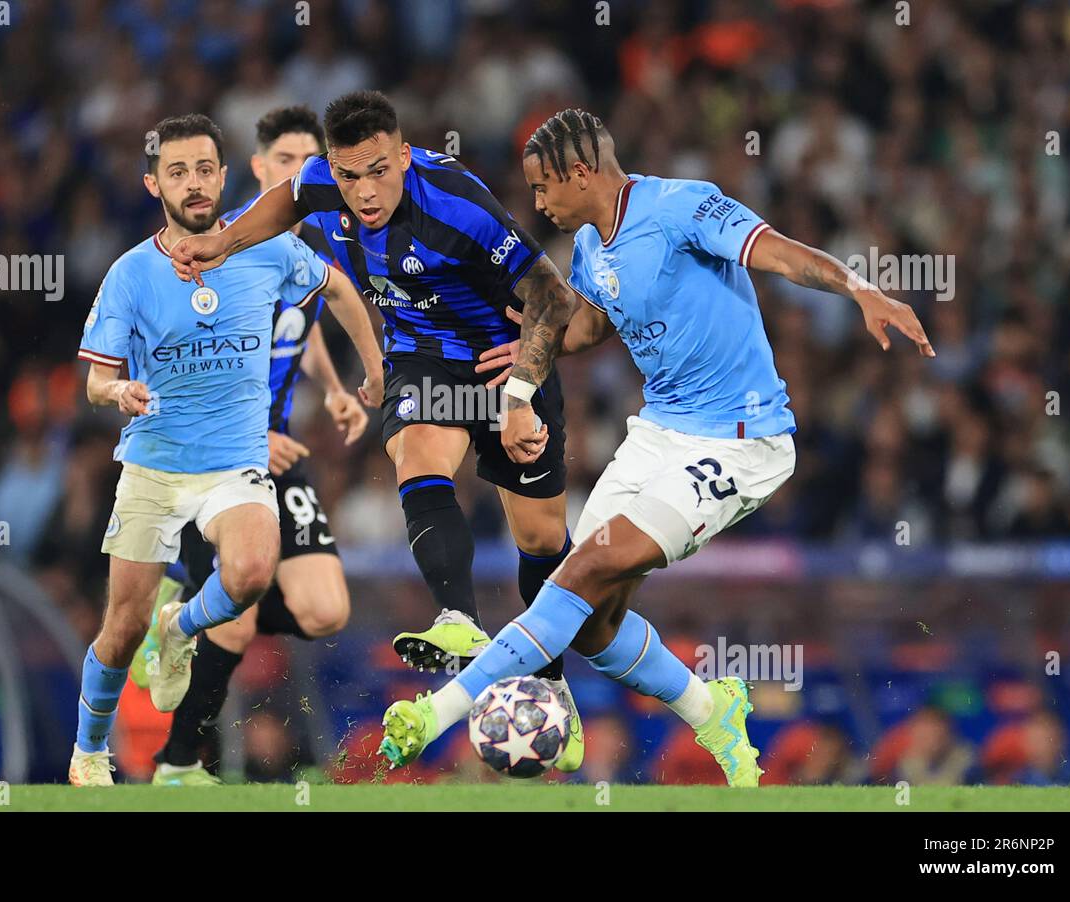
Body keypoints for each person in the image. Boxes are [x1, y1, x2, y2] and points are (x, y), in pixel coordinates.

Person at [378, 108, 934, 786]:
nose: (538, 203)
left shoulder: (683, 206)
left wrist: (858, 286)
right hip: (658, 434)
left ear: (578, 173)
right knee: (588, 621)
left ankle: (437, 715)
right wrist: (532, 341)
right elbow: (586, 330)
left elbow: (780, 252)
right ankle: (711, 707)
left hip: (739, 442)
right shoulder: (590, 247)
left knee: (577, 576)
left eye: (543, 188)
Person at [170, 91, 588, 772]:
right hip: (423, 360)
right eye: (347, 175)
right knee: (417, 452)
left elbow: (553, 295)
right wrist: (220, 240)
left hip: (500, 361)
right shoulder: (322, 184)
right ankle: (458, 618)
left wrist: (519, 389)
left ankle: (553, 686)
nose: (362, 192)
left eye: (376, 172)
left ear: (402, 155)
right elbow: (287, 199)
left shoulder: (457, 202)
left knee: (541, 538)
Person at [70, 113, 383, 786]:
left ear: (224, 176)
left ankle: (182, 625)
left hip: (234, 466)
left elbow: (334, 288)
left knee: (247, 573)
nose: (194, 183)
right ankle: (89, 751)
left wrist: (373, 366)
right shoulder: (130, 274)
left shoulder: (266, 251)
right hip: (153, 464)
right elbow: (95, 378)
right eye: (177, 172)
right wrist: (116, 391)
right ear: (154, 184)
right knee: (123, 628)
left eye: (205, 169)